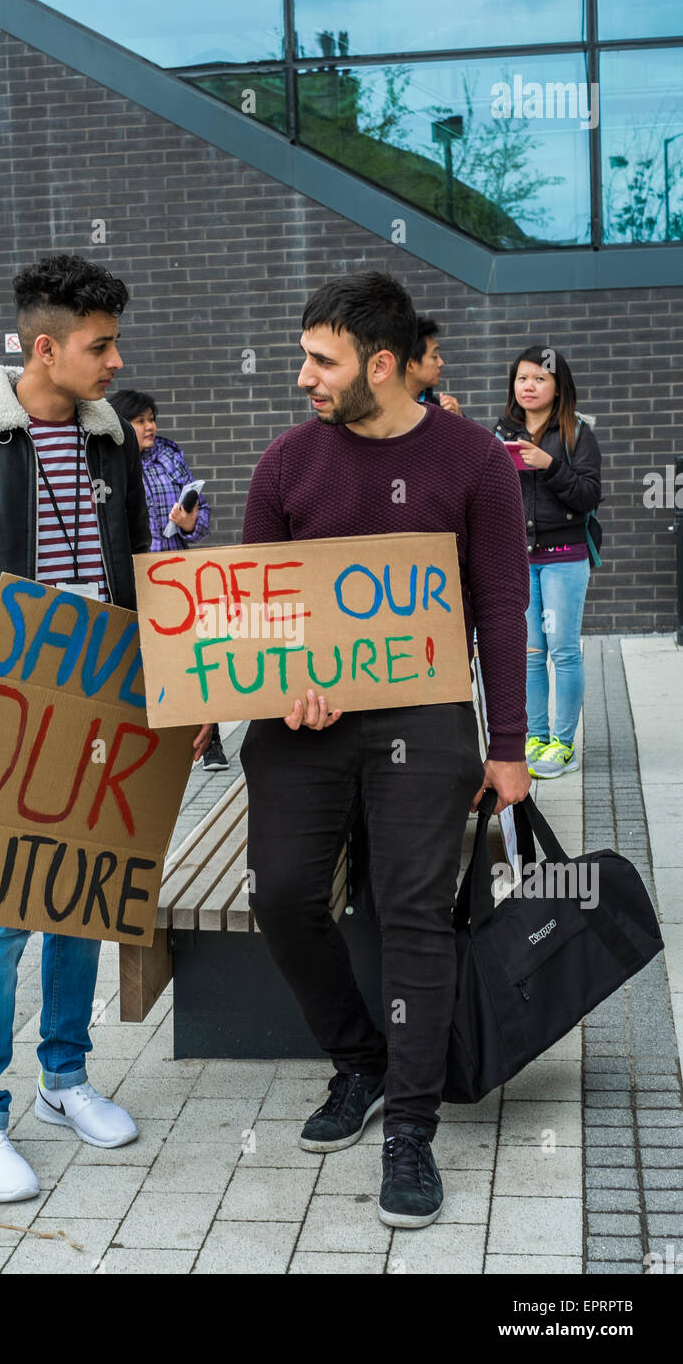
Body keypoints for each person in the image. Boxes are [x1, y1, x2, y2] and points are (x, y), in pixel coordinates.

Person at [0, 254, 211, 1202]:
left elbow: (145, 572)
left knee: (85, 900)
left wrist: (175, 690)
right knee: (2, 917)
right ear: (46, 345)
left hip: (103, 701)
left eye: (116, 344)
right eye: (101, 346)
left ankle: (63, 1080)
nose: (116, 362)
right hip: (3, 708)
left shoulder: (112, 443)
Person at [239, 271, 530, 1230]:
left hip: (426, 723)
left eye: (321, 361)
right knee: (281, 896)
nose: (302, 377)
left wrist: (509, 745)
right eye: (303, 356)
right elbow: (251, 613)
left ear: (384, 364)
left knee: (411, 913)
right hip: (302, 729)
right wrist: (279, 677)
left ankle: (411, 1124)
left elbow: (499, 607)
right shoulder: (286, 464)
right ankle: (358, 1060)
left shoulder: (474, 460)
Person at [493, 346, 602, 780]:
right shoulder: (502, 431)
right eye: (522, 379)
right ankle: (535, 738)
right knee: (531, 652)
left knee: (563, 649)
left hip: (565, 558)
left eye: (539, 378)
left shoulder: (576, 432)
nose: (529, 386)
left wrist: (549, 464)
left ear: (558, 386)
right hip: (521, 557)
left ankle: (563, 744)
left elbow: (589, 495)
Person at [111, 388, 228, 771]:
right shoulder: (110, 459)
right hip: (136, 575)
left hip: (176, 573)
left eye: (152, 418)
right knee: (144, 660)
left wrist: (190, 524)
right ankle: (153, 744)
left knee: (193, 654)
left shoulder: (169, 455)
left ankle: (212, 742)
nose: (150, 426)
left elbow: (202, 512)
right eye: (140, 420)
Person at [404, 316, 462, 414]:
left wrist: (459, 421)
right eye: (434, 356)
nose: (441, 363)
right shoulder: (377, 410)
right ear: (410, 365)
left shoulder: (441, 410)